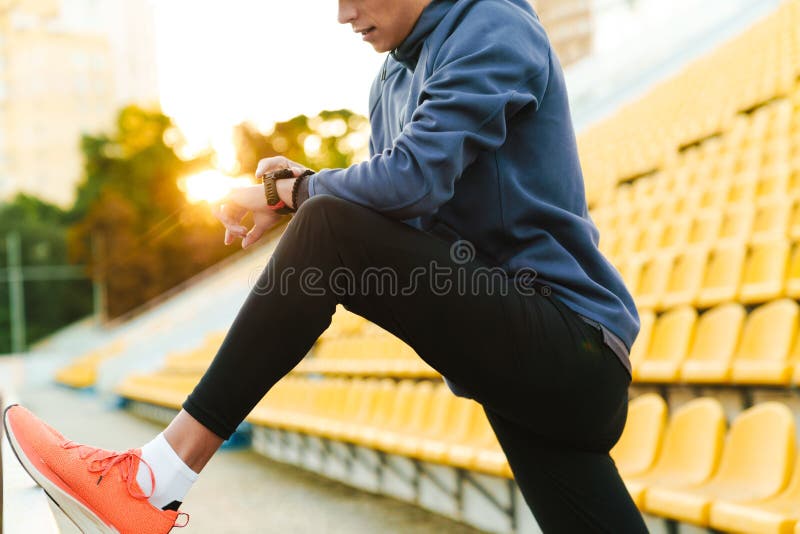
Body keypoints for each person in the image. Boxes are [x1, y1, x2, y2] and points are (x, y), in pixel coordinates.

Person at [3, 0, 647, 532]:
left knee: (327, 226)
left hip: (570, 343)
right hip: (511, 356)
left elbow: (407, 184)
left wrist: (293, 194)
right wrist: (296, 195)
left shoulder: (492, 24)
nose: (342, 14)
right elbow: (393, 220)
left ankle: (151, 482)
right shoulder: (390, 80)